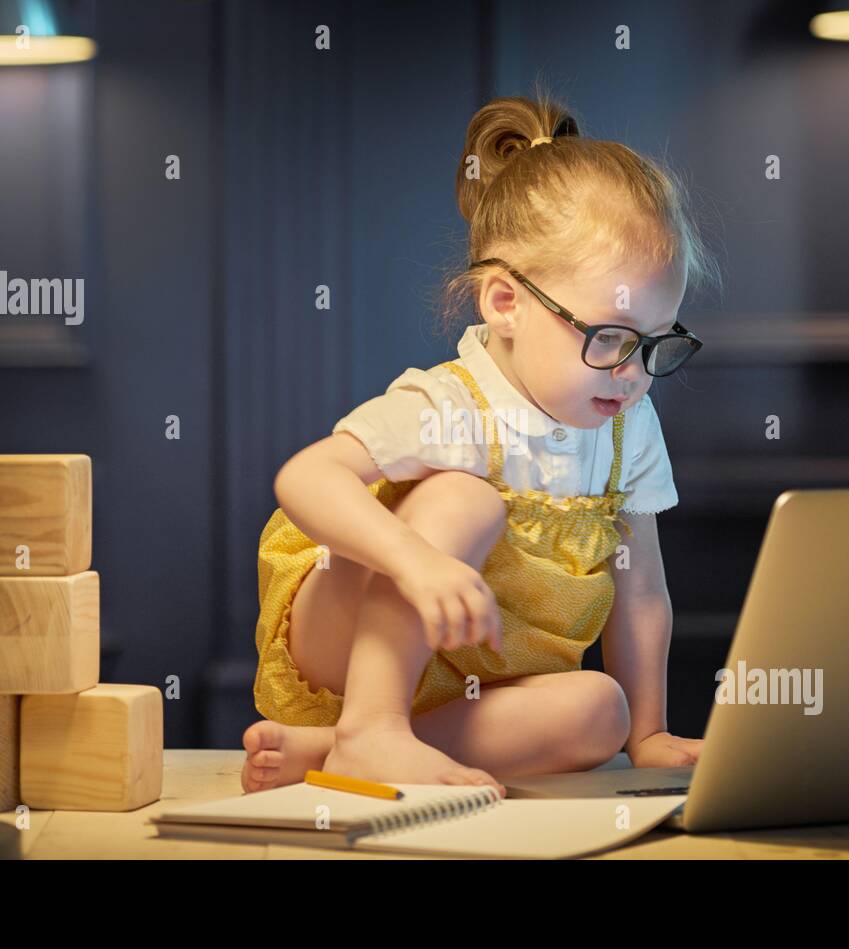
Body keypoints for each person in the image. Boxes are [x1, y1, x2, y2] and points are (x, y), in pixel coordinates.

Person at [243, 91, 716, 794]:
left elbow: (642, 588)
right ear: (506, 303)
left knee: (600, 711)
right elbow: (306, 477)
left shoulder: (627, 426)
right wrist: (412, 561)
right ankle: (366, 726)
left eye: (656, 345)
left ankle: (340, 751)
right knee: (464, 500)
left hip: (464, 685)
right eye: (610, 338)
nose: (632, 372)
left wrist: (647, 733)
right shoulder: (452, 404)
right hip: (344, 636)